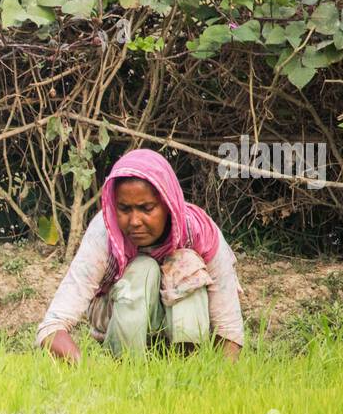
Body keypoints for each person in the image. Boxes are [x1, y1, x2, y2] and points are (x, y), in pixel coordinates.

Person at [36, 149, 244, 362]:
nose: (134, 221)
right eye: (124, 209)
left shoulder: (200, 231)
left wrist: (219, 376)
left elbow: (228, 328)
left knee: (186, 262)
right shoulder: (105, 231)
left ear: (167, 204)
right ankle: (127, 363)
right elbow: (53, 324)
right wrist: (80, 366)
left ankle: (186, 364)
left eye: (146, 208)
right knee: (143, 268)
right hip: (116, 320)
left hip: (182, 336)